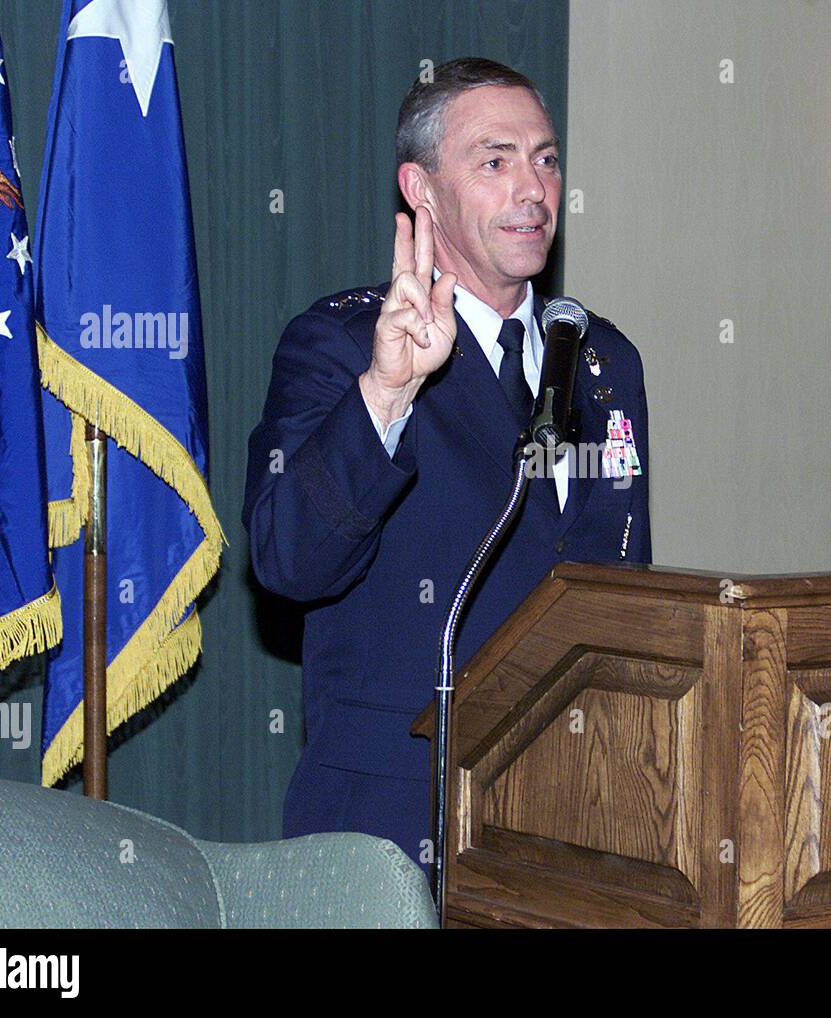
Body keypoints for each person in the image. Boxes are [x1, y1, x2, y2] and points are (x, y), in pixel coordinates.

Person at [242, 58, 651, 865]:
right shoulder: (345, 344)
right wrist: (387, 394)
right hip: (394, 820)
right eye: (495, 162)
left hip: (577, 812)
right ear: (421, 191)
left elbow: (622, 583)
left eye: (545, 158)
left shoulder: (603, 359)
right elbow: (286, 560)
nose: (532, 189)